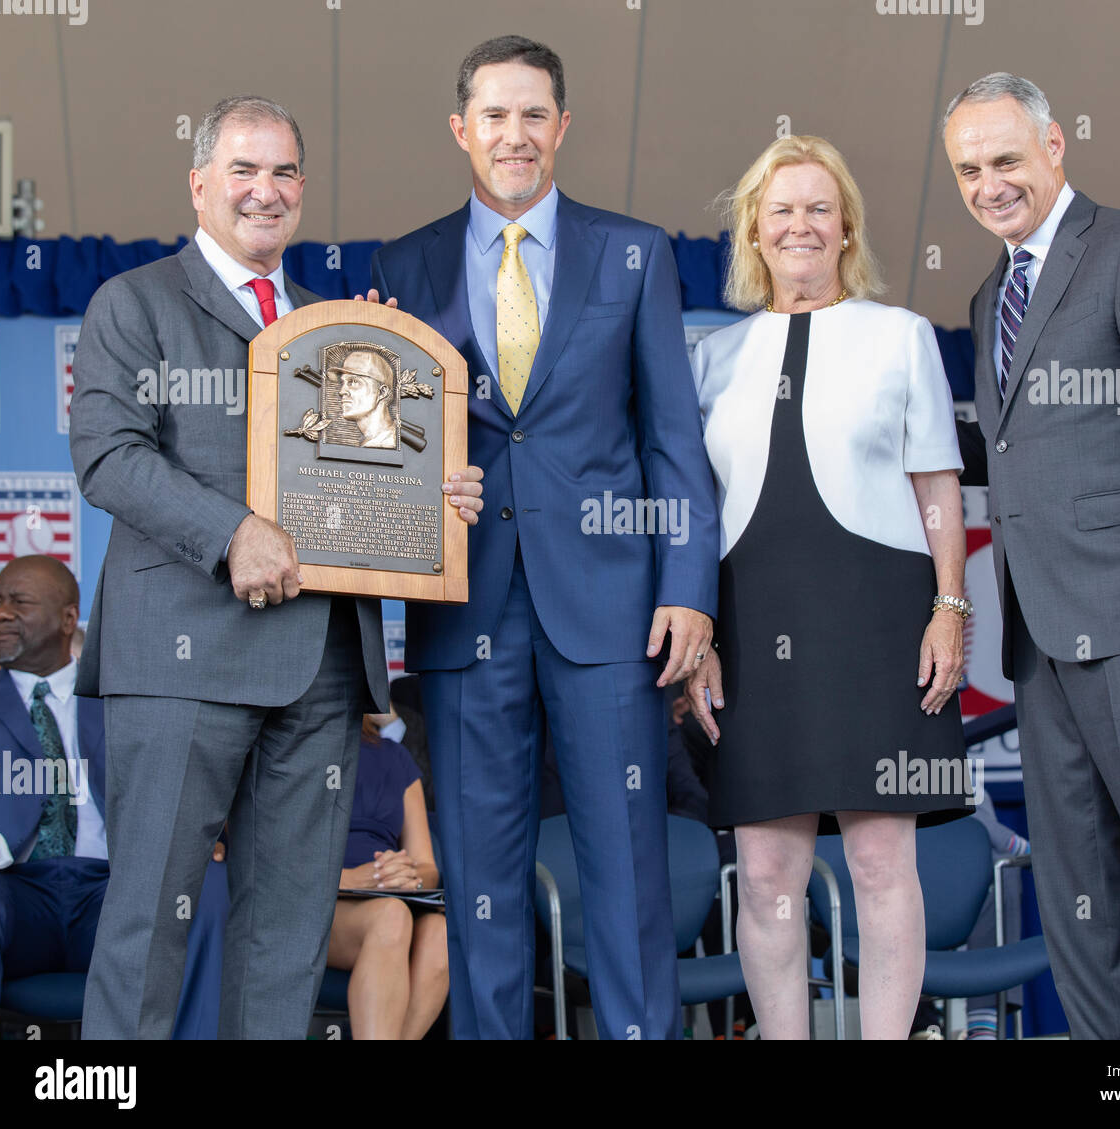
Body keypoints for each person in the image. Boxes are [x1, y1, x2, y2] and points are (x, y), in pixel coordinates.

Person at [68, 95, 483, 1039]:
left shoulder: (341, 330)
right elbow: (108, 453)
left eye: (286, 172)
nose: (267, 190)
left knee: (287, 936)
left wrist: (434, 499)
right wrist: (230, 532)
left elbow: (364, 485)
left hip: (323, 670)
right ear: (200, 182)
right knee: (147, 924)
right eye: (245, 170)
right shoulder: (133, 302)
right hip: (182, 662)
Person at [366, 35, 719, 1039]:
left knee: (627, 873)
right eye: (493, 115)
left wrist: (687, 587)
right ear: (459, 129)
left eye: (533, 115)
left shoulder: (635, 251)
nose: (513, 135)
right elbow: (386, 439)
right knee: (478, 880)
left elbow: (673, 440)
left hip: (611, 611)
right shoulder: (404, 261)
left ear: (562, 126)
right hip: (463, 604)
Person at [941, 72, 1120, 1038]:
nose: (989, 184)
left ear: (1056, 145)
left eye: (1006, 160)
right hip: (1039, 634)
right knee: (1079, 882)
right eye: (969, 170)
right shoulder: (990, 295)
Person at [686, 135, 972, 1040]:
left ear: (846, 226)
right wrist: (700, 641)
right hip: (750, 625)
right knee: (768, 872)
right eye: (782, 210)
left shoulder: (902, 336)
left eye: (819, 207)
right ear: (754, 234)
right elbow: (697, 510)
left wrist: (950, 607)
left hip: (881, 624)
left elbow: (937, 488)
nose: (801, 224)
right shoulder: (714, 357)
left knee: (884, 861)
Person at [0, 555, 224, 1039]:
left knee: (203, 887)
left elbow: (182, 773)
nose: (0, 613)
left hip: (113, 892)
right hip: (13, 893)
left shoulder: (124, 699)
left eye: (18, 602)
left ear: (69, 618)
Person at [325, 716, 448, 1039]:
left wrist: (406, 877)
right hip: (319, 897)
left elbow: (426, 866)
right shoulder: (288, 744)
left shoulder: (394, 755)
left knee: (441, 932)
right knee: (391, 917)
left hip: (388, 896)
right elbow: (264, 856)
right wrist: (350, 879)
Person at [332, 349, 399, 449]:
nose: (342, 391)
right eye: (343, 383)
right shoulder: (370, 442)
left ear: (382, 392)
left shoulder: (390, 440)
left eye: (353, 382)